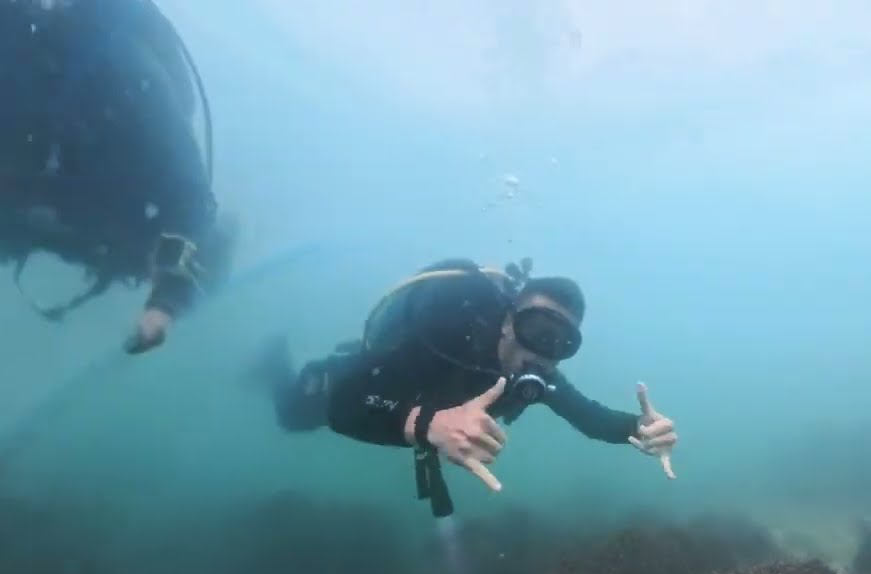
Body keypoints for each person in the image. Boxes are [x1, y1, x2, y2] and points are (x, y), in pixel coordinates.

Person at [255, 258, 679, 515]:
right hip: (380, 381)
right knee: (292, 415)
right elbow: (345, 402)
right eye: (536, 329)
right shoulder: (447, 327)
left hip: (406, 400)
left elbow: (589, 418)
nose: (542, 352)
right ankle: (273, 364)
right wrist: (427, 425)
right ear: (509, 321)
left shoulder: (538, 373)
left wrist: (638, 429)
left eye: (561, 343)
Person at [0, 0, 234, 353]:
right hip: (30, 209)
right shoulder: (13, 41)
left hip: (114, 223)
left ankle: (209, 261)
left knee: (194, 253)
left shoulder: (122, 66)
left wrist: (164, 305)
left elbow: (190, 197)